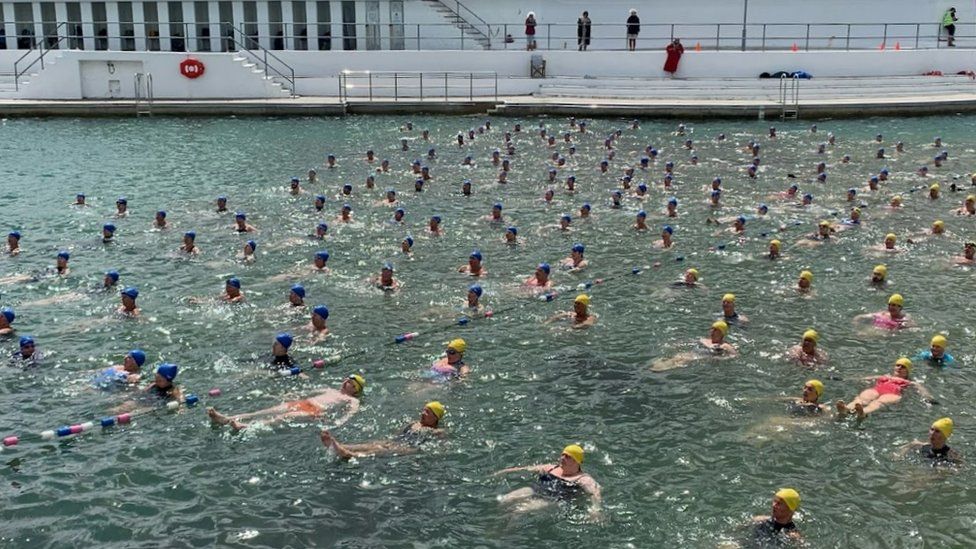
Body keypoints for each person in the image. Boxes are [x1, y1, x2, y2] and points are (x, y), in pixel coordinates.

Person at [209, 375, 364, 431]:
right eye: (346, 380)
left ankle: (245, 427)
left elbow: (351, 412)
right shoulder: (330, 389)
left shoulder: (352, 400)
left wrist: (339, 422)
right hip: (303, 402)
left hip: (316, 411)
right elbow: (308, 391)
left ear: (355, 389)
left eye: (351, 383)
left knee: (282, 418)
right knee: (264, 411)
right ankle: (226, 419)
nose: (346, 383)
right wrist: (293, 395)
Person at [495, 444, 602, 519]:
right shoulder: (551, 468)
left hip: (550, 499)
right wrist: (505, 471)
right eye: (563, 455)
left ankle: (504, 534)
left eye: (568, 457)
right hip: (535, 490)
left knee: (517, 511)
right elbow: (526, 469)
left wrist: (595, 511)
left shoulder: (583, 479)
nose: (562, 458)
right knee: (504, 500)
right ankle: (495, 520)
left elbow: (595, 493)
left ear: (577, 461)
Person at [320, 401, 447, 459]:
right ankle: (340, 446)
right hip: (398, 442)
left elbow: (441, 446)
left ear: (436, 417)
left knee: (377, 449)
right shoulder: (413, 423)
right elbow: (397, 434)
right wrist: (388, 441)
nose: (423, 413)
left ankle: (347, 454)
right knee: (374, 444)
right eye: (424, 410)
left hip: (410, 448)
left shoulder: (437, 431)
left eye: (428, 412)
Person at [836, 357, 933, 422]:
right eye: (898, 365)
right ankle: (847, 409)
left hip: (893, 393)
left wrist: (929, 398)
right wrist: (845, 379)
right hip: (877, 390)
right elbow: (865, 378)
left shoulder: (910, 382)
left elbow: (921, 389)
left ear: (908, 371)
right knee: (862, 398)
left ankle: (863, 412)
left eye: (903, 367)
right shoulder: (884, 376)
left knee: (878, 402)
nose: (899, 368)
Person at [651, 320, 736, 371]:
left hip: (700, 358)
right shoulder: (704, 340)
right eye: (712, 329)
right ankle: (660, 366)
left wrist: (717, 358)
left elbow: (734, 355)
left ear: (722, 333)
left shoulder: (725, 345)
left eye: (716, 330)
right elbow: (690, 342)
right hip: (692, 353)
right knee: (679, 356)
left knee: (684, 359)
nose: (712, 332)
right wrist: (676, 345)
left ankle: (662, 368)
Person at [897, 417, 962, 465]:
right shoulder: (918, 445)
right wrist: (900, 455)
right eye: (932, 429)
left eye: (937, 431)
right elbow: (904, 449)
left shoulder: (951, 454)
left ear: (945, 436)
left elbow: (960, 468)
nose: (932, 433)